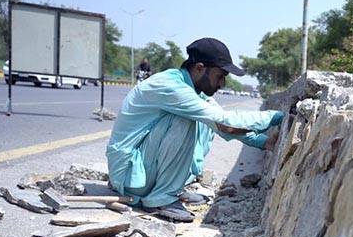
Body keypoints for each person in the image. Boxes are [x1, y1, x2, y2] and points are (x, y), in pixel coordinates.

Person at [106, 37, 284, 222]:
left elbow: (224, 125)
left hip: (142, 172)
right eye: (220, 76)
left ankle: (170, 188)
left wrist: (265, 142)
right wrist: (277, 117)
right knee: (188, 118)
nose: (222, 83)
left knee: (209, 117)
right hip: (128, 174)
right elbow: (225, 123)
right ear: (200, 68)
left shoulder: (193, 90)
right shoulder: (171, 87)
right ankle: (162, 198)